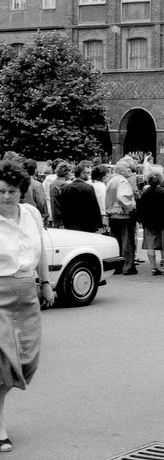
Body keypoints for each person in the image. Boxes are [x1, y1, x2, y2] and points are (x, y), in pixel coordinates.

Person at [0, 160, 55, 453]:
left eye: (11, 191)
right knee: (1, 365)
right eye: (0, 191)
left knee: (24, 362)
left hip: (26, 293)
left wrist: (46, 283)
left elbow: (41, 250)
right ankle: (0, 427)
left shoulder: (31, 213)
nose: (5, 196)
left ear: (21, 191)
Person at [136, 168, 164, 276]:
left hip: (148, 223)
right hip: (163, 223)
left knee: (150, 246)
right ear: (160, 180)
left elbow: (140, 209)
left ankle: (153, 268)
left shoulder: (145, 193)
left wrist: (141, 220)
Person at [106, 160, 139, 275]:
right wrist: (131, 206)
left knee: (116, 242)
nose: (129, 170)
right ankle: (127, 267)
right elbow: (122, 197)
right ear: (121, 171)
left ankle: (116, 267)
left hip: (112, 215)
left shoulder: (111, 180)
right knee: (127, 243)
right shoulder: (122, 181)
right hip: (123, 215)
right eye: (127, 168)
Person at [55, 162, 103, 234]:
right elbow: (94, 207)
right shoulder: (88, 188)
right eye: (87, 173)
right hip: (86, 225)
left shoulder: (65, 188)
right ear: (82, 173)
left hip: (70, 224)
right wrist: (98, 224)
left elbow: (62, 207)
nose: (89, 175)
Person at [18, 160, 47, 226]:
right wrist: (45, 215)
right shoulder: (36, 185)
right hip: (32, 216)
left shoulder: (17, 183)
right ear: (35, 170)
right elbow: (41, 203)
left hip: (19, 215)